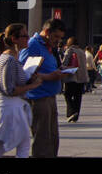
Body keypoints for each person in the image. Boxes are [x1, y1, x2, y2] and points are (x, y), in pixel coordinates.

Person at [0, 24, 48, 158]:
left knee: (16, 144)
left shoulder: (11, 58)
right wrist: (32, 86)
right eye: (24, 35)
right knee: (11, 145)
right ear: (14, 39)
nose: (28, 38)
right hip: (8, 107)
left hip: (11, 106)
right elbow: (9, 89)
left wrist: (29, 78)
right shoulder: (9, 60)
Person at [19, 19, 73, 158]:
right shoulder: (33, 45)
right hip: (38, 97)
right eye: (56, 37)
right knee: (43, 139)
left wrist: (60, 70)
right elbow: (23, 72)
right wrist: (50, 76)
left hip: (49, 96)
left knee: (52, 138)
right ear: (47, 32)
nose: (58, 41)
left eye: (61, 38)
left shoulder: (48, 47)